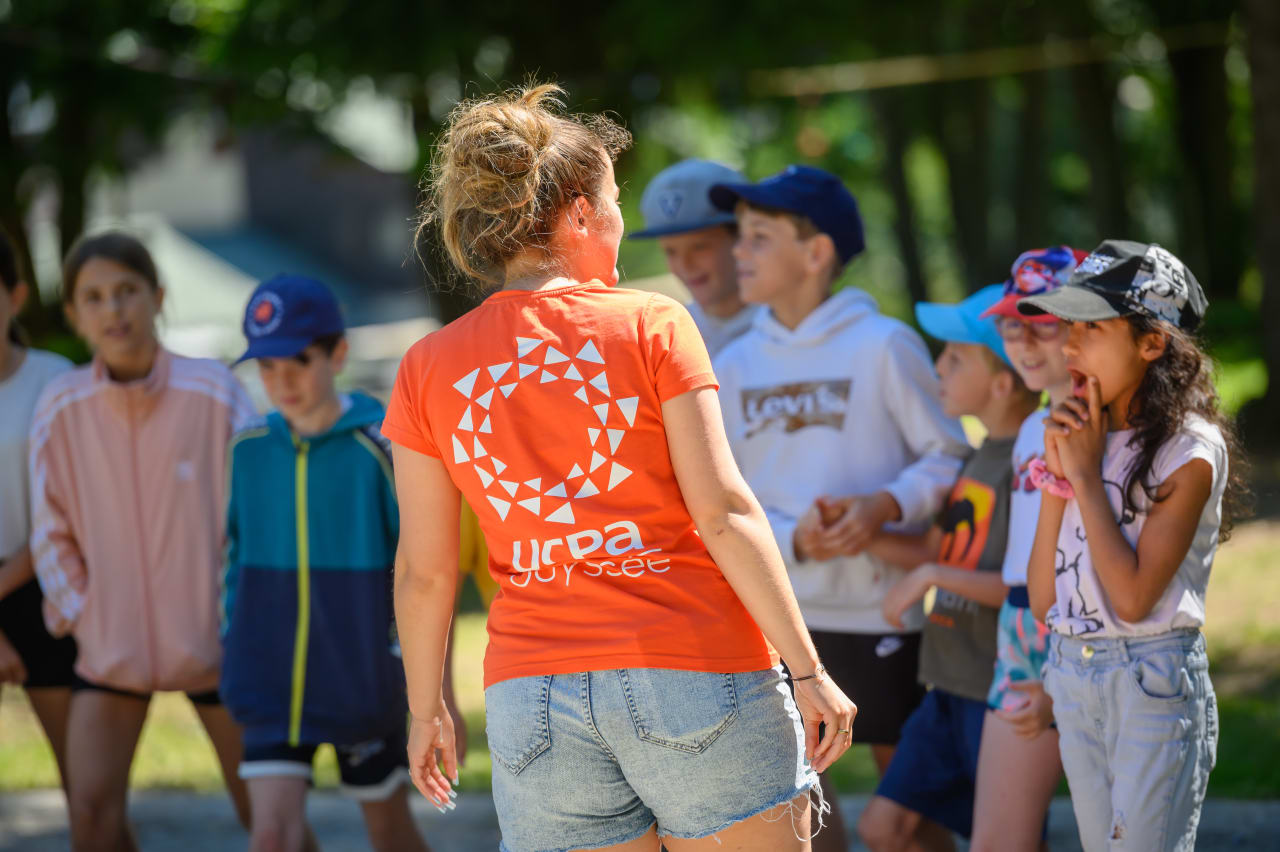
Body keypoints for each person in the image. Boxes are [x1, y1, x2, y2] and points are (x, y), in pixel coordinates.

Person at [383, 82, 857, 852]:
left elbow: (425, 570)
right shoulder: (653, 323)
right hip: (694, 668)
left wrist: (425, 709)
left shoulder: (426, 366)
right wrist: (807, 670)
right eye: (614, 200)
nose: (621, 220)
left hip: (529, 696)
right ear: (578, 214)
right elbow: (724, 513)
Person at [708, 164, 970, 852]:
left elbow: (949, 458)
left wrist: (885, 505)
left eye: (759, 238)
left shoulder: (885, 345)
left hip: (887, 616)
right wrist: (793, 539)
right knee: (803, 815)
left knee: (907, 822)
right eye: (739, 236)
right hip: (779, 621)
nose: (739, 252)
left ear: (816, 252)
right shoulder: (730, 366)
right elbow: (720, 493)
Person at [28, 232, 253, 850]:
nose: (113, 310)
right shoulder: (62, 405)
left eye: (127, 291)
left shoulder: (215, 391)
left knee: (269, 820)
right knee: (92, 818)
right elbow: (50, 531)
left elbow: (257, 514)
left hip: (218, 646)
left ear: (156, 297)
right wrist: (87, 616)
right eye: (94, 297)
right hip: (109, 648)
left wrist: (231, 616)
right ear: (73, 314)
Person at [1019, 240, 1245, 851]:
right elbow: (1043, 601)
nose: (1068, 346)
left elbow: (1133, 599)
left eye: (1092, 328)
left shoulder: (1189, 449)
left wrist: (1086, 478)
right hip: (1073, 670)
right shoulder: (1084, 434)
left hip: (1151, 681)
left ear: (1153, 343)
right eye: (1068, 326)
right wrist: (1057, 478)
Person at [220, 275, 435, 852]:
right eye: (265, 367)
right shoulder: (246, 452)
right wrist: (233, 641)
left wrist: (414, 675)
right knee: (271, 835)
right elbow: (235, 559)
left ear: (338, 354)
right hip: (268, 679)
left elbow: (423, 569)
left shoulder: (381, 449)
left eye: (297, 360)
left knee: (388, 832)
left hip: (360, 683)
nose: (280, 381)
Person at [857, 285, 1043, 851]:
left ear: (1003, 383)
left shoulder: (1029, 467)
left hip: (999, 687)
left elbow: (1027, 589)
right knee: (882, 827)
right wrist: (857, 533)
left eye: (955, 357)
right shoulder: (974, 457)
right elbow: (939, 552)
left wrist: (933, 578)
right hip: (947, 687)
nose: (939, 366)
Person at [969, 246, 1084, 850]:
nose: (1025, 346)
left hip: (1071, 639)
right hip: (1020, 630)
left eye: (1045, 327)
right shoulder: (1035, 426)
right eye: (1014, 328)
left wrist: (1054, 674)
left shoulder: (1097, 425)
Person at [0, 228, 76, 794]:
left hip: (43, 585)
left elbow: (75, 509)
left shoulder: (55, 381)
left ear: (16, 296)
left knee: (88, 790)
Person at [629, 159, 758, 357]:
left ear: (743, 237)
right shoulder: (665, 335)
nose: (684, 265)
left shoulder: (788, 325)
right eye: (670, 251)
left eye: (700, 247)